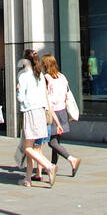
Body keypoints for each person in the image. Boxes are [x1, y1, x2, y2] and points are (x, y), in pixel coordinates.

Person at [16, 50, 59, 187]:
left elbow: (21, 97)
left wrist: (18, 90)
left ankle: (49, 166)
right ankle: (28, 179)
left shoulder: (23, 76)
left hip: (30, 112)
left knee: (27, 147)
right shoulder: (39, 75)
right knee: (35, 147)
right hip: (41, 111)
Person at [41, 53, 81, 177]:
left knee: (52, 143)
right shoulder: (61, 76)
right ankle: (53, 165)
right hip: (63, 110)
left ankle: (72, 159)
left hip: (53, 112)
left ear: (45, 64)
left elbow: (46, 97)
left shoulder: (46, 78)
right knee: (56, 141)